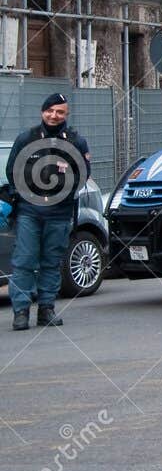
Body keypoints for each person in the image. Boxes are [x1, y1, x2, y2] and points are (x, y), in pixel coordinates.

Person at [6, 93, 92, 331]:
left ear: (66, 114)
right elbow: (12, 171)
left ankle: (47, 309)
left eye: (60, 112)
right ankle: (21, 311)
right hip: (29, 211)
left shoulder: (76, 142)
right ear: (42, 111)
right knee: (24, 261)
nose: (54, 116)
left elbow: (84, 175)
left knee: (51, 262)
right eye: (50, 111)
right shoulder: (26, 139)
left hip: (60, 213)